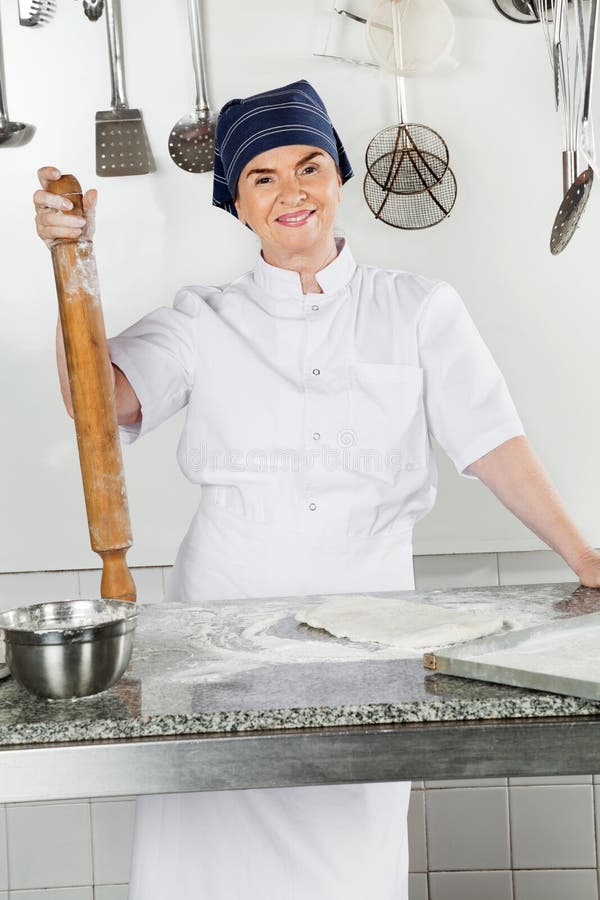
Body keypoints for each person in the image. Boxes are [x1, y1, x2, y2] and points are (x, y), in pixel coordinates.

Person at [34, 79, 600, 900]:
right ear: (237, 204)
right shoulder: (202, 320)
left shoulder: (418, 309)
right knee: (207, 863)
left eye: (310, 167)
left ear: (338, 176)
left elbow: (491, 443)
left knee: (348, 862)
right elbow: (98, 401)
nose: (292, 192)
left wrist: (583, 554)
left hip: (372, 635)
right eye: (263, 178)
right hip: (215, 637)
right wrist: (68, 263)